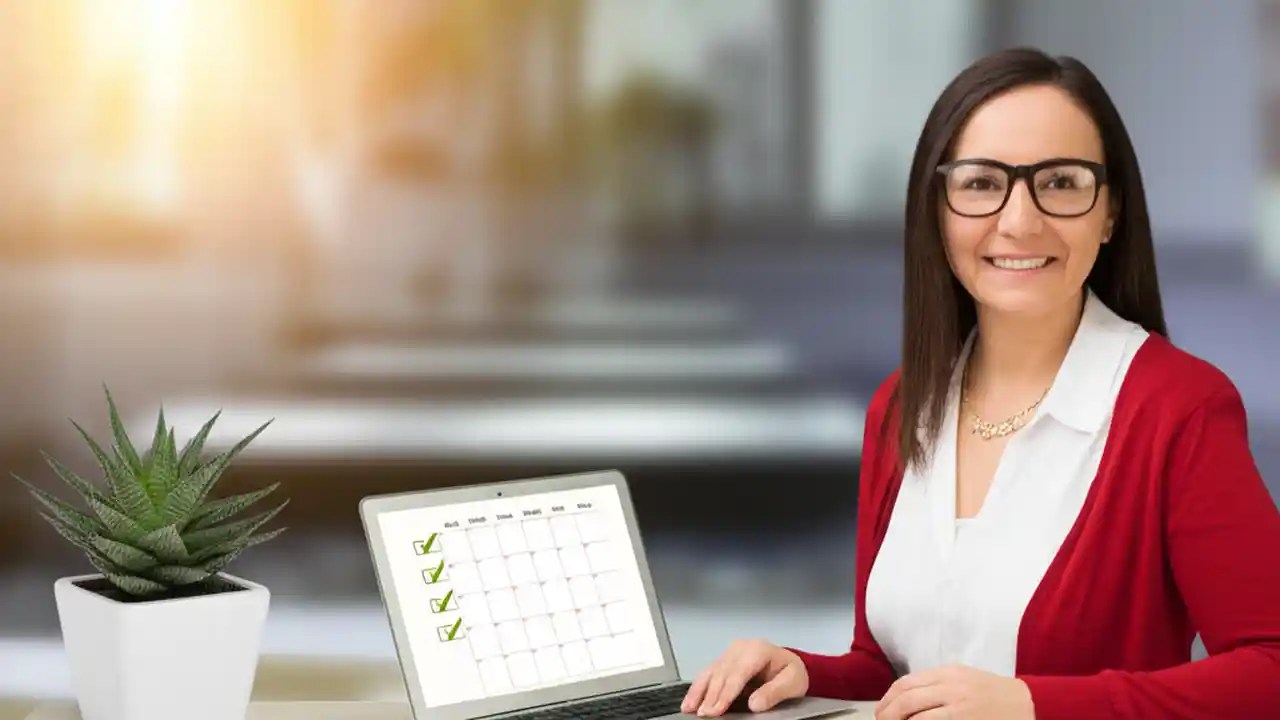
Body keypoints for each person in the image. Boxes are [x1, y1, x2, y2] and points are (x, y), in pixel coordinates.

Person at [680, 47, 1280, 720]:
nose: (1019, 220)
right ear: (937, 211)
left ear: (1110, 212)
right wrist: (799, 670)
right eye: (980, 183)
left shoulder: (1178, 409)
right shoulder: (901, 406)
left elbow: (1271, 669)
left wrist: (1033, 707)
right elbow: (894, 669)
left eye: (1060, 182)